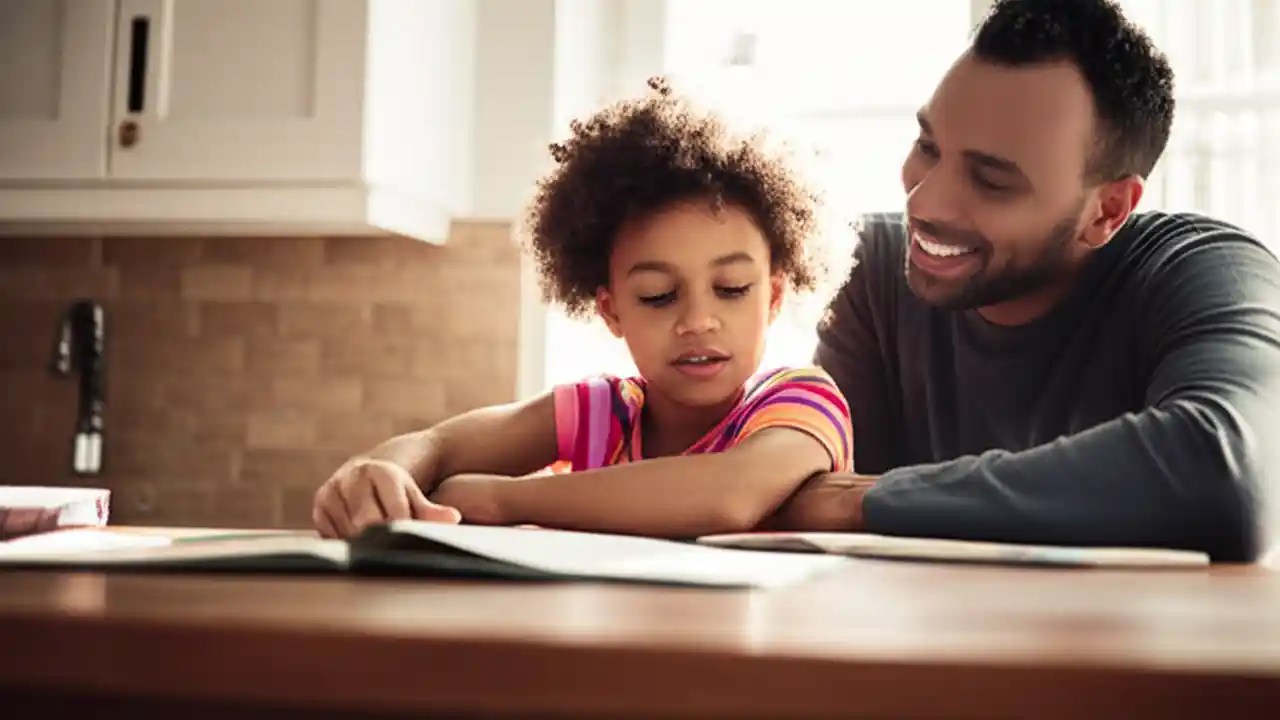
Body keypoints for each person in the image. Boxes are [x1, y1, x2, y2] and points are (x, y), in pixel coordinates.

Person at [771, 0, 1280, 562]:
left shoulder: (1205, 270)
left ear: (1108, 210)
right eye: (928, 148)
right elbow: (819, 515)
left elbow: (1229, 478)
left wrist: (880, 498)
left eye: (991, 181)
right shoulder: (875, 271)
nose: (924, 202)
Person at [311, 78, 854, 539]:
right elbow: (438, 444)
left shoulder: (802, 402)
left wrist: (506, 500)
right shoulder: (601, 414)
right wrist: (375, 469)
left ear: (774, 296)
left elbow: (730, 494)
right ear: (611, 310)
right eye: (658, 296)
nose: (698, 321)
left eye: (732, 287)